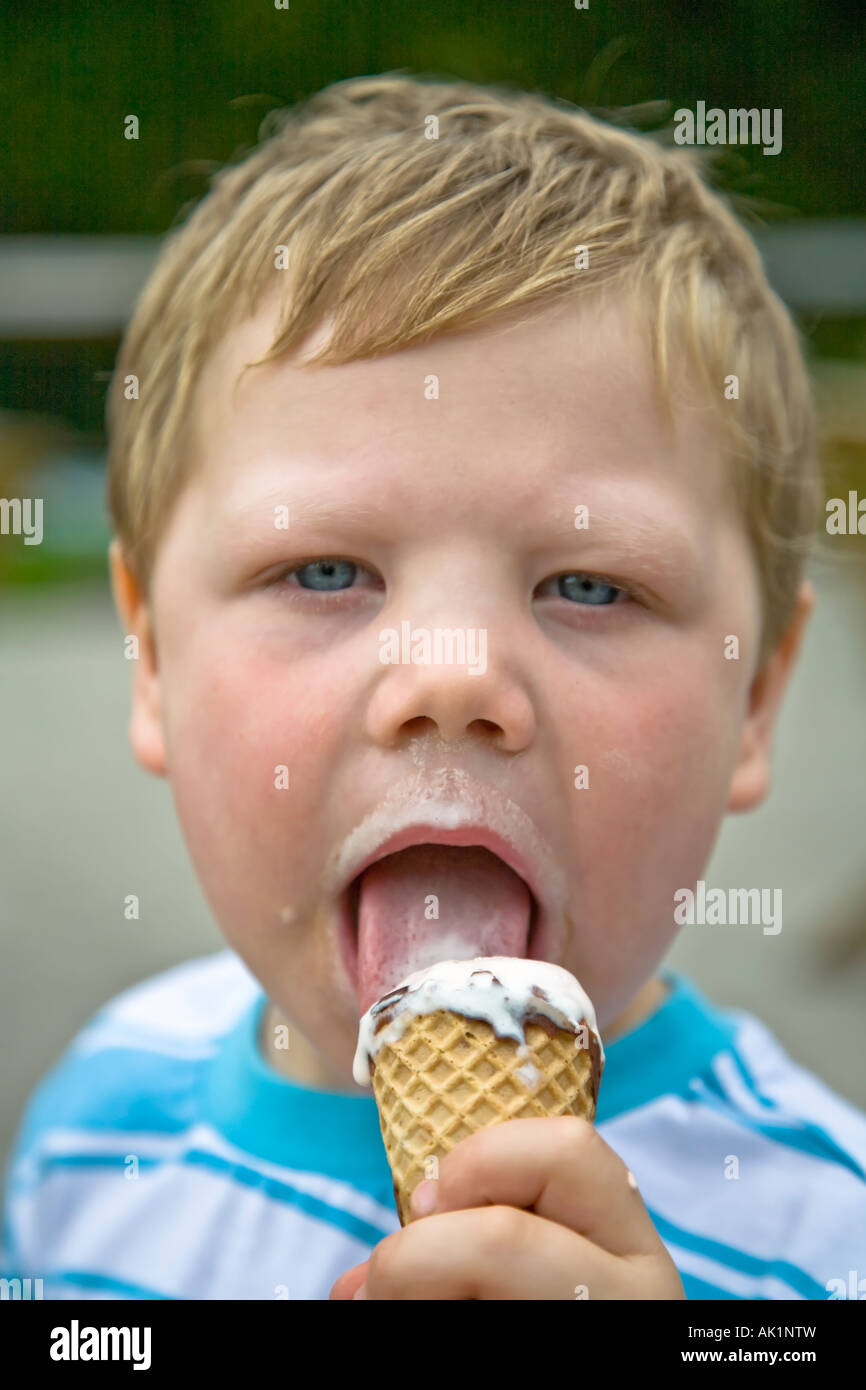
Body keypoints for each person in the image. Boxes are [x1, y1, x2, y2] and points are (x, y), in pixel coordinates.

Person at [3, 73, 864, 1301]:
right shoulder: (90, 1134)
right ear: (149, 655)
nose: (453, 680)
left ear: (758, 694)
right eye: (323, 569)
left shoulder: (824, 1245)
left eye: (589, 585)